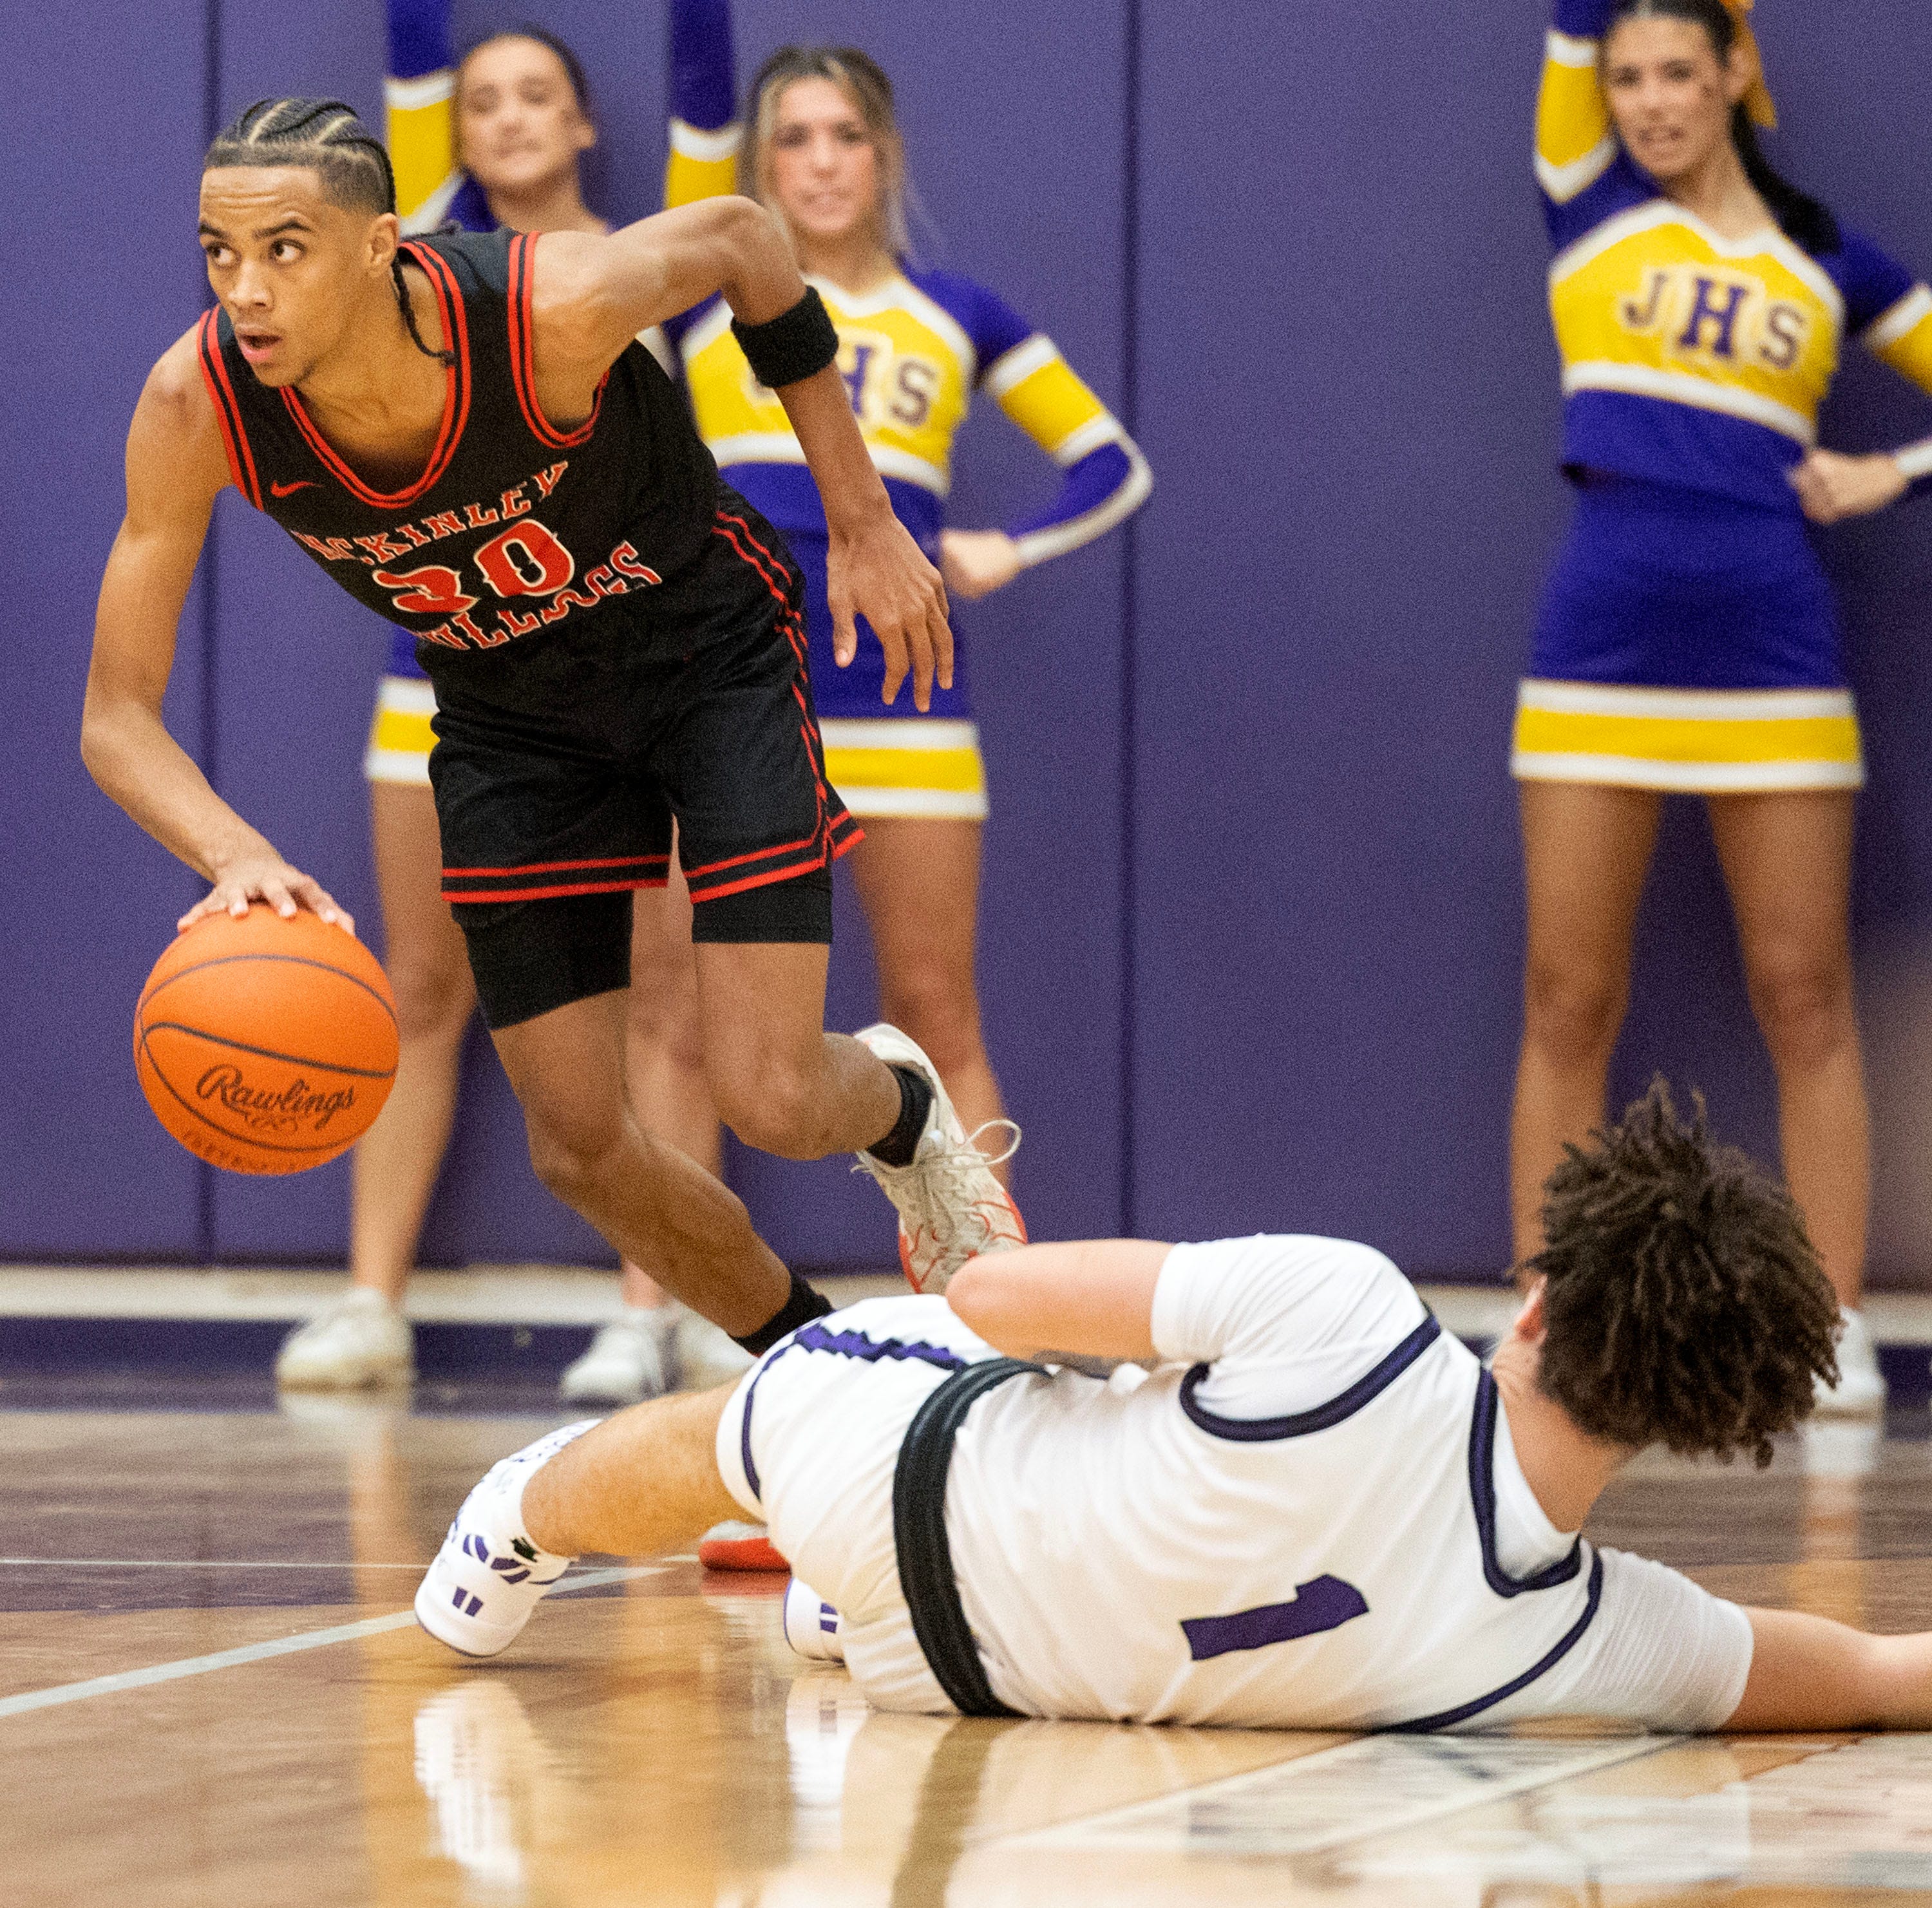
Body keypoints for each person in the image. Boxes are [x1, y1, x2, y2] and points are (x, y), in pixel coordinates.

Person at [81, 100, 1027, 1397]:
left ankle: (907, 1111)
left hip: (704, 654)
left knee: (770, 1092)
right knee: (578, 1149)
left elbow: (750, 239)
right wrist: (235, 853)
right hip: (508, 713)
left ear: (381, 247)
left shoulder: (545, 310)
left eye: (286, 248)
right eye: (218, 253)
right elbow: (113, 716)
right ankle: (817, 1374)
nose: (246, 290)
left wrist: (862, 519)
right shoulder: (198, 404)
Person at [415, 1082, 1932, 1737]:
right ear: (1689, 1416)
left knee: (769, 1407)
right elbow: (1870, 1680)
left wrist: (929, 1151)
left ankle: (518, 1518)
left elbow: (994, 1298)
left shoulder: (1357, 1312)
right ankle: (821, 1603)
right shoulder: (1598, 1637)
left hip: (904, 1493)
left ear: (1536, 1300)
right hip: (947, 1682)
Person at [276, 10, 721, 1403]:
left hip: (623, 690)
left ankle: (659, 1304)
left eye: (541, 96)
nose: (512, 117)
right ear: (453, 135)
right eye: (486, 101)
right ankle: (368, 1306)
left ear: (587, 124)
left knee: (661, 993)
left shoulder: (653, 271)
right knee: (420, 986)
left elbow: (710, 85)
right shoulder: (407, 261)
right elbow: (413, 49)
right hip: (442, 683)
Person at [1513, 0, 1932, 1414]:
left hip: (1775, 645)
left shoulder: (1824, 253)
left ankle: (1831, 1326)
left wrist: (1896, 472)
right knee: (1570, 996)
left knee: (1806, 994)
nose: (1647, 101)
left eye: (1677, 71)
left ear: (1734, 72)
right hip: (1601, 642)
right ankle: (1544, 1318)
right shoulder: (1586, 200)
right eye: (1626, 77)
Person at [647, 0, 1151, 1167]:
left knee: (935, 1009)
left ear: (886, 154)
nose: (821, 162)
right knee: (680, 1014)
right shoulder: (700, 306)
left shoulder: (956, 315)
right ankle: (649, 1320)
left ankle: (1005, 1304)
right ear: (756, 163)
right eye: (793, 139)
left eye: (846, 135)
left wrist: (1008, 545)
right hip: (731, 695)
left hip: (909, 696)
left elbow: (1112, 464)